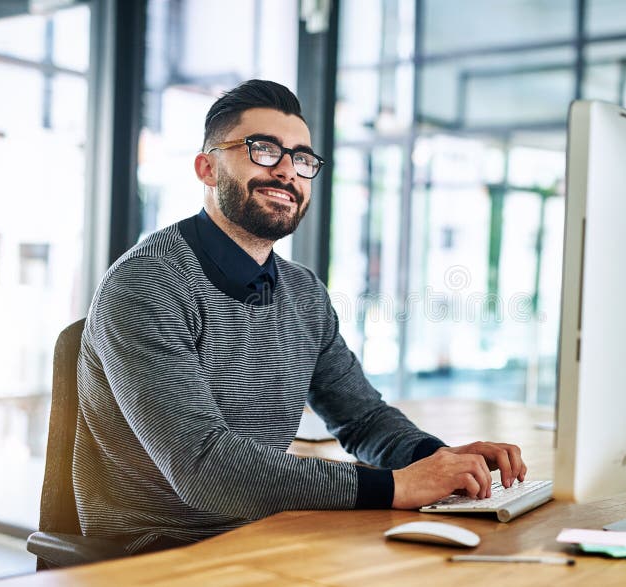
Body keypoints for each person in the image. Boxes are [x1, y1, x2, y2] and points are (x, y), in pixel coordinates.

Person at [73, 79, 527, 554]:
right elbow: (204, 468)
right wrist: (396, 486)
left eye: (302, 159)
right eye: (264, 150)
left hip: (266, 535)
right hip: (155, 554)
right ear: (207, 168)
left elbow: (364, 419)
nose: (288, 170)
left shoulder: (302, 291)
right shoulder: (146, 282)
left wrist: (441, 460)